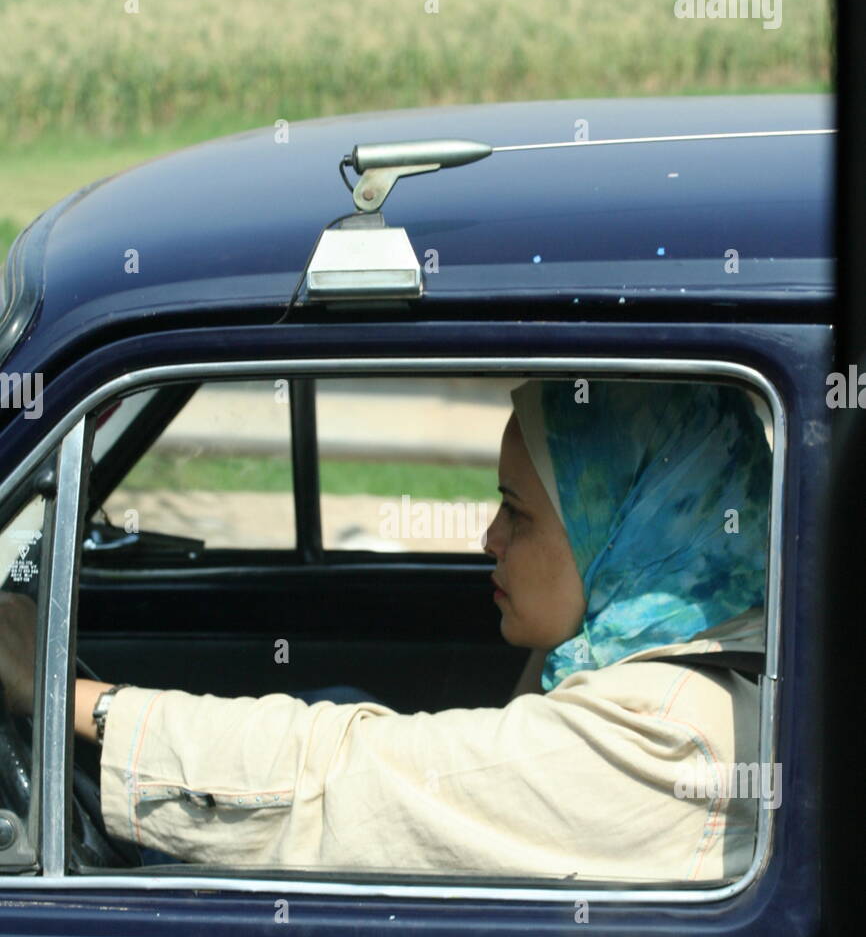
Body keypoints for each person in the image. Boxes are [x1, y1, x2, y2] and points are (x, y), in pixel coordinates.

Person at [0, 378, 771, 882]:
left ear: (624, 530)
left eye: (519, 511)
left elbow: (348, 780)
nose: (489, 539)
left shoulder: (671, 732)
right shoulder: (663, 658)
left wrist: (70, 696)